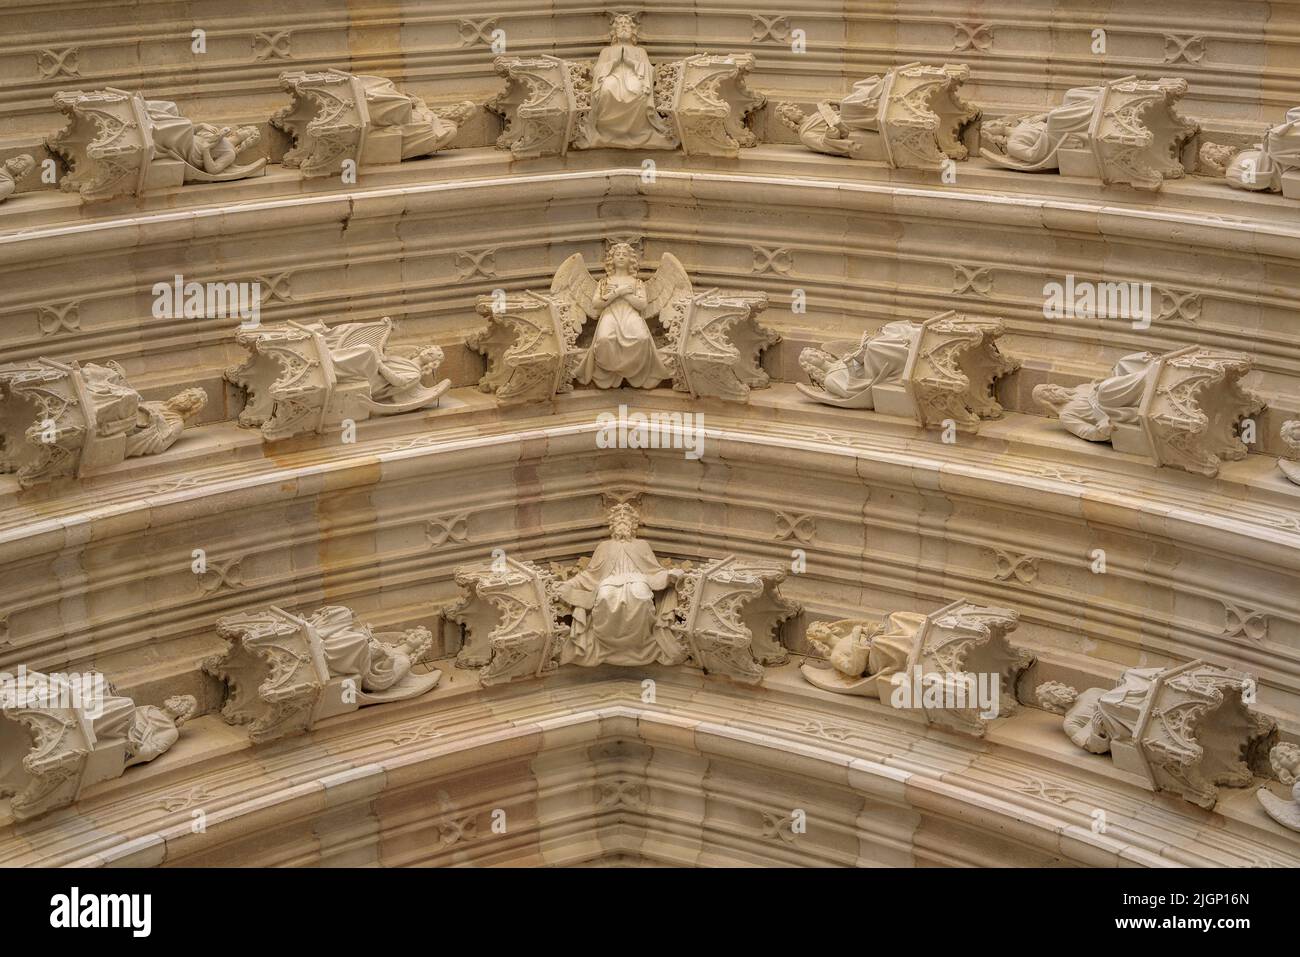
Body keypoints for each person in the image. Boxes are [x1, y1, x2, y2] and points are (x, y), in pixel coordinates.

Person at [558, 504, 683, 666]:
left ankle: (641, 635)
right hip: (609, 583)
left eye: (626, 522)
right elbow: (590, 574)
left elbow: (653, 571)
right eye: (618, 522)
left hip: (637, 580)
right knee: (604, 596)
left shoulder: (641, 545)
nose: (622, 524)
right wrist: (568, 584)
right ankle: (606, 637)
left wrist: (669, 575)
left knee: (642, 595)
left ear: (632, 526)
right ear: (613, 527)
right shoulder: (605, 547)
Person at [574, 243, 674, 389]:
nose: (621, 256)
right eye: (617, 254)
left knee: (642, 338)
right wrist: (618, 292)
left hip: (629, 314)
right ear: (611, 259)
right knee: (604, 339)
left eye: (624, 255)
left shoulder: (637, 283)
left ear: (631, 261)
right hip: (611, 314)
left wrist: (625, 295)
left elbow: (641, 305)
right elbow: (596, 303)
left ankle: (632, 367)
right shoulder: (604, 282)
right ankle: (610, 367)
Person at [576, 15, 677, 151]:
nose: (623, 26)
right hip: (612, 77)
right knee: (606, 90)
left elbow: (649, 70)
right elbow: (597, 70)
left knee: (639, 91)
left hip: (633, 76)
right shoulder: (606, 51)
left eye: (627, 25)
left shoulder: (640, 51)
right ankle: (605, 129)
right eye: (620, 25)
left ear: (633, 32)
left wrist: (631, 63)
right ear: (614, 32)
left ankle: (639, 129)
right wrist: (614, 62)